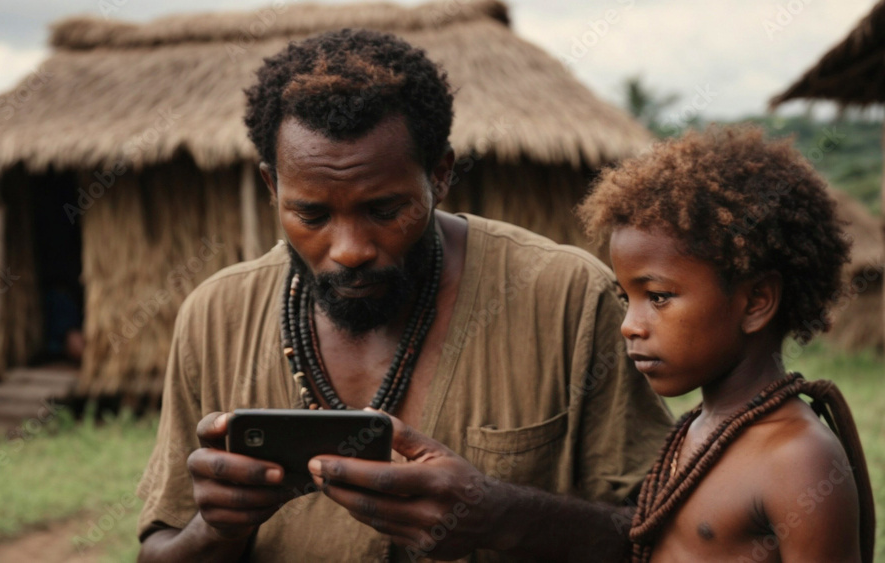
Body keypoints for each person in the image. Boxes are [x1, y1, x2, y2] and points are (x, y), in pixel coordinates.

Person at [137, 29, 673, 562]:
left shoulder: (566, 299)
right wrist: (215, 530)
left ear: (440, 175)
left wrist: (501, 515)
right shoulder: (215, 317)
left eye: (385, 210)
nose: (349, 250)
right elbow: (158, 552)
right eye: (313, 215)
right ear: (272, 187)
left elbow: (666, 536)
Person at [578, 125, 876, 562]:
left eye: (657, 297)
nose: (629, 326)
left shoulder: (797, 459)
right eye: (628, 299)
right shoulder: (693, 433)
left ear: (756, 301)